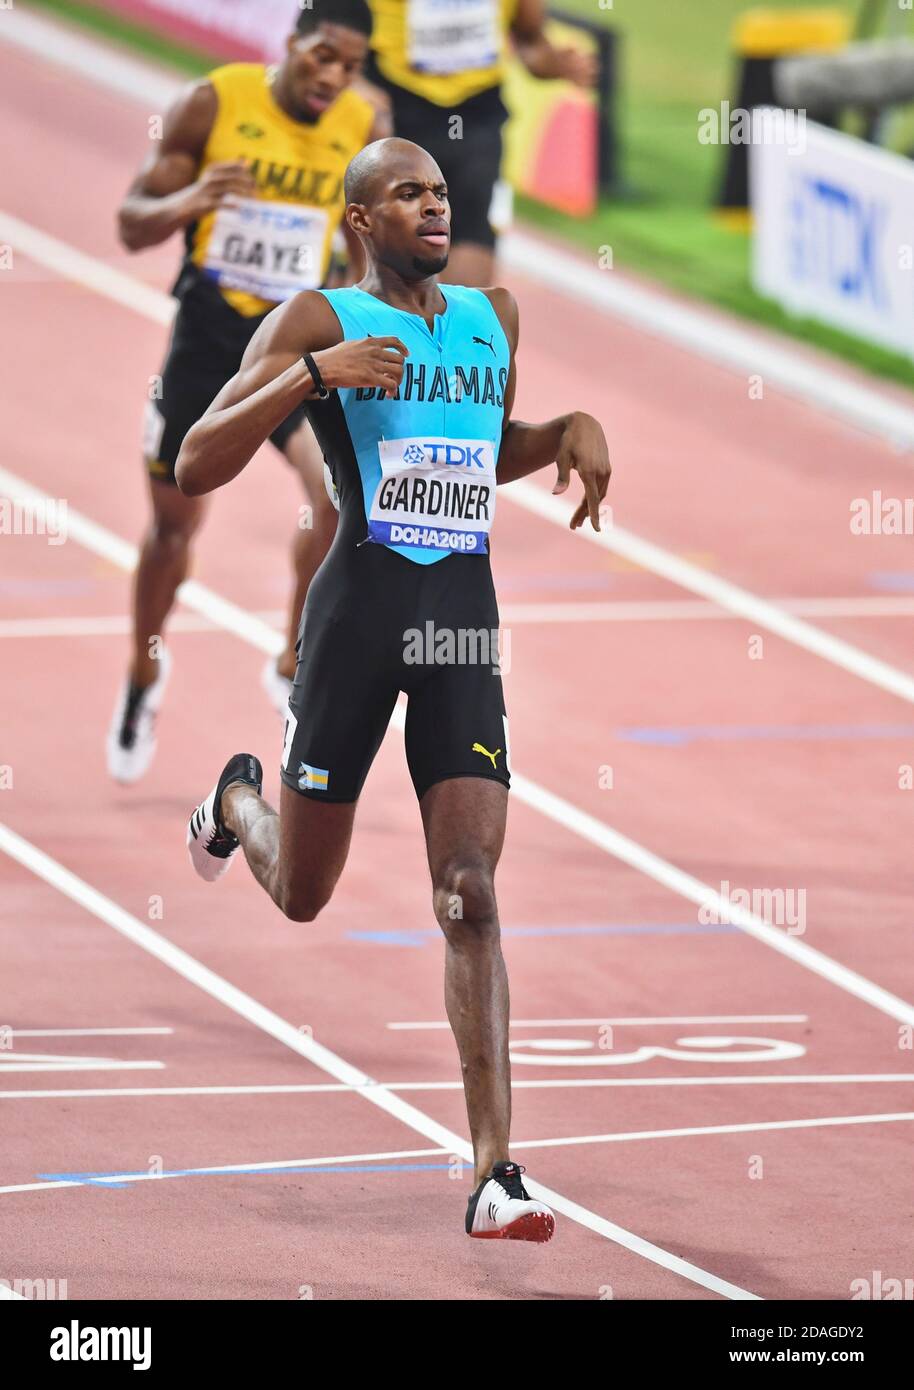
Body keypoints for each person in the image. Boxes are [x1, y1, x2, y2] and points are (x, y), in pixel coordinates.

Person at [175, 137, 610, 1239]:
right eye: (407, 192)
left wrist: (562, 432)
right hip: (359, 619)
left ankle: (495, 1173)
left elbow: (479, 446)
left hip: (461, 621)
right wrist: (309, 378)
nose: (433, 204)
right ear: (360, 219)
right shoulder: (316, 321)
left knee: (469, 888)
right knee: (305, 892)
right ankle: (236, 803)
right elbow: (196, 459)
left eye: (440, 191)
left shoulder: (490, 315)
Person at [107, 0, 389, 783]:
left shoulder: (364, 127)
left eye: (349, 65)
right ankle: (142, 673)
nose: (332, 77)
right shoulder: (215, 101)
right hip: (206, 348)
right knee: (172, 530)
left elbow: (373, 244)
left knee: (335, 497)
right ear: (292, 41)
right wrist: (187, 202)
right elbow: (132, 223)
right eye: (322, 56)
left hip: (292, 350)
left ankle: (292, 656)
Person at [365, 0, 597, 286]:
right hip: (392, 106)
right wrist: (356, 84)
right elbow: (335, 24)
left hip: (474, 115)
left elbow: (530, 42)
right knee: (382, 235)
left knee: (470, 234)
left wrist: (558, 64)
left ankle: (459, 329)